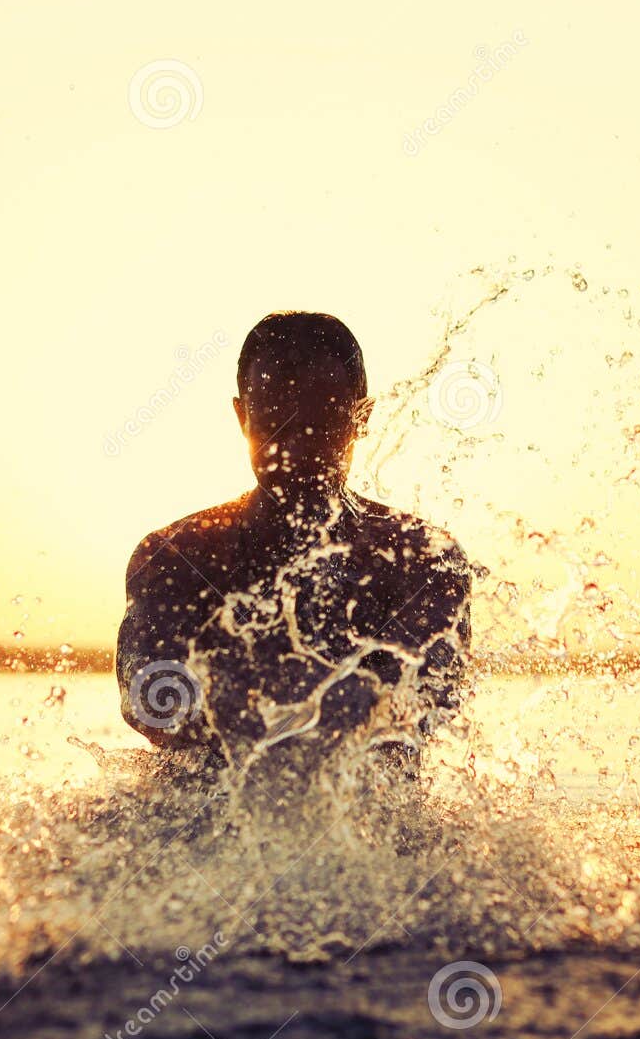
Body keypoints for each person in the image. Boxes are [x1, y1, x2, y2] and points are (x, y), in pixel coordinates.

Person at [116, 312, 471, 770]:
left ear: (361, 418)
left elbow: (434, 698)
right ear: (242, 418)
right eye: (275, 414)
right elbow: (148, 700)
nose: (300, 440)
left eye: (322, 414)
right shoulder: (176, 557)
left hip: (371, 829)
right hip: (204, 827)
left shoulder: (421, 559)